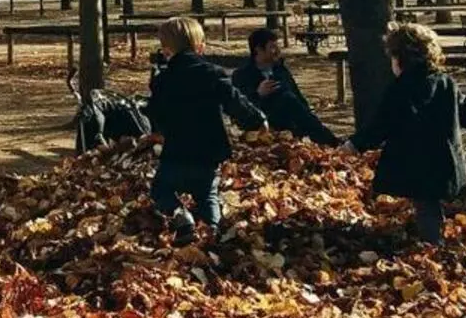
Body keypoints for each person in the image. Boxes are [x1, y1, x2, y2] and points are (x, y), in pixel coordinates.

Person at [342, 23, 466, 244]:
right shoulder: (445, 83)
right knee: (453, 184)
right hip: (448, 159)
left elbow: (381, 125)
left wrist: (354, 145)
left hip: (416, 162)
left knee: (427, 206)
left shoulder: (399, 90)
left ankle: (433, 246)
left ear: (399, 59)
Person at [145, 17, 266, 246]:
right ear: (200, 46)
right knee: (207, 194)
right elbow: (235, 103)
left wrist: (159, 131)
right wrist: (256, 120)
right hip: (209, 151)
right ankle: (213, 232)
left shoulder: (162, 81)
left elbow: (155, 112)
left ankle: (181, 216)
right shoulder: (213, 74)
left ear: (166, 50)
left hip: (176, 151)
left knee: (160, 191)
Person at [233, 28, 340, 146]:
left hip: (290, 121)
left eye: (277, 46)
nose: (277, 51)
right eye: (272, 47)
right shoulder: (242, 75)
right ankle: (332, 142)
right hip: (262, 122)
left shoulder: (280, 70)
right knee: (286, 98)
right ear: (258, 49)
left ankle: (330, 141)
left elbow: (299, 98)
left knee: (290, 100)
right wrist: (258, 94)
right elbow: (239, 108)